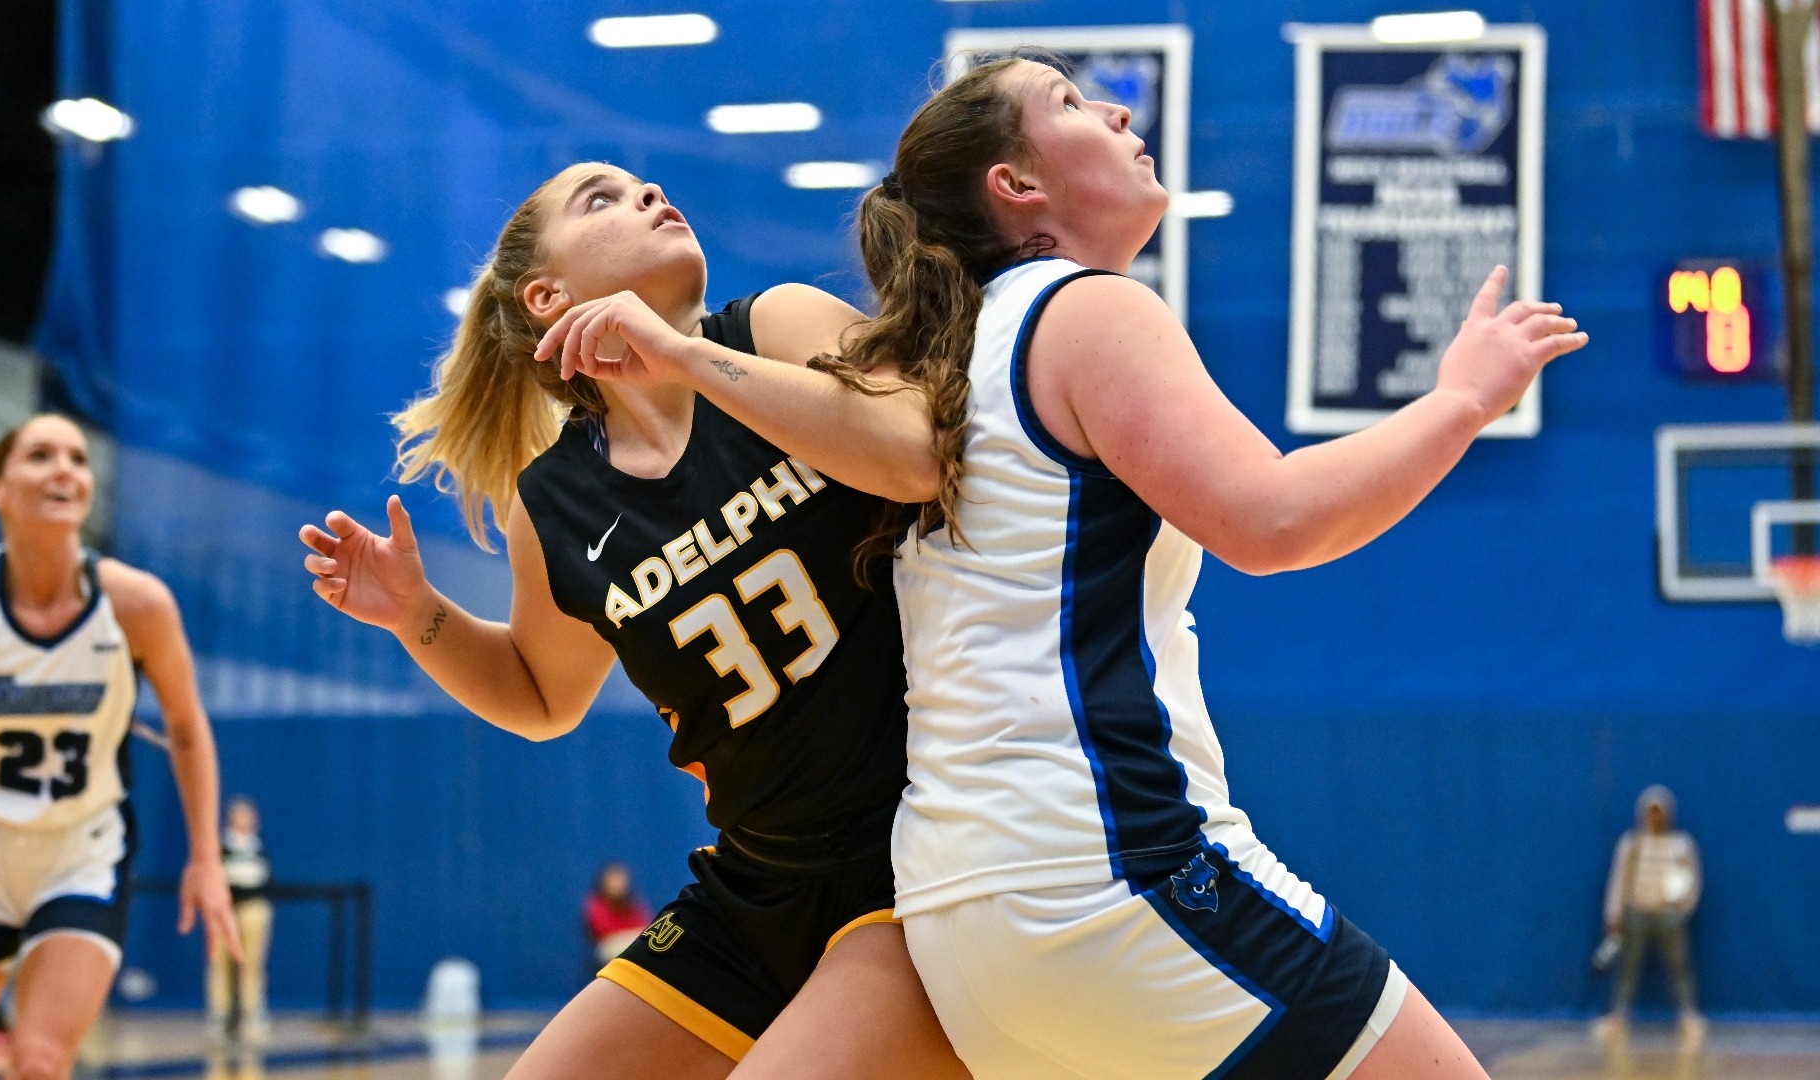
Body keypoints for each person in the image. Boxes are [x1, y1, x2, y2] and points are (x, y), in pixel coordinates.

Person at [541, 57, 1589, 1080]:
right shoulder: (1082, 309)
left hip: (957, 933)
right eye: (1073, 101)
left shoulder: (947, 359)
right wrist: (1461, 401)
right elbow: (1275, 524)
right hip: (1102, 874)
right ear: (1017, 184)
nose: (1120, 112)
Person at [298, 163, 961, 1080]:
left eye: (644, 184)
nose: (647, 194)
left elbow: (917, 455)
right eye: (600, 199)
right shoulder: (556, 502)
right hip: (758, 880)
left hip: (923, 856)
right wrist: (419, 616)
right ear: (548, 296)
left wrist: (683, 355)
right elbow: (541, 696)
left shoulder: (781, 325)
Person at [0, 413, 239, 1080]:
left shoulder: (137, 604)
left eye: (78, 459)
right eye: (40, 456)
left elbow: (186, 727)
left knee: (41, 1061)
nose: (65, 470)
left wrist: (206, 858)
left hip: (80, 856)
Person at [1594, 785, 1705, 1048]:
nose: (1655, 818)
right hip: (1637, 914)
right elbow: (1619, 880)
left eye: (1659, 812)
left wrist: (1681, 909)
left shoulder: (1680, 844)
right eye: (1650, 812)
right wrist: (1614, 913)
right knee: (1628, 966)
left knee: (1679, 963)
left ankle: (1688, 1016)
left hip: (1668, 915)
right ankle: (1618, 1016)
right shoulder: (1632, 844)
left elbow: (1692, 880)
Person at [209, 795, 274, 1043]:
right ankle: (219, 1015)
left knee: (253, 964)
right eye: (240, 816)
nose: (246, 821)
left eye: (249, 816)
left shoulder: (257, 847)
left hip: (254, 911)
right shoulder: (221, 846)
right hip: (224, 911)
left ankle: (252, 1014)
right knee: (220, 963)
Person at [584, 862, 651, 969]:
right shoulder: (596, 904)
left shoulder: (633, 903)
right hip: (608, 948)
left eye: (620, 880)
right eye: (613, 880)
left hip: (635, 945)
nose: (617, 884)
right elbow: (604, 931)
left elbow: (645, 927)